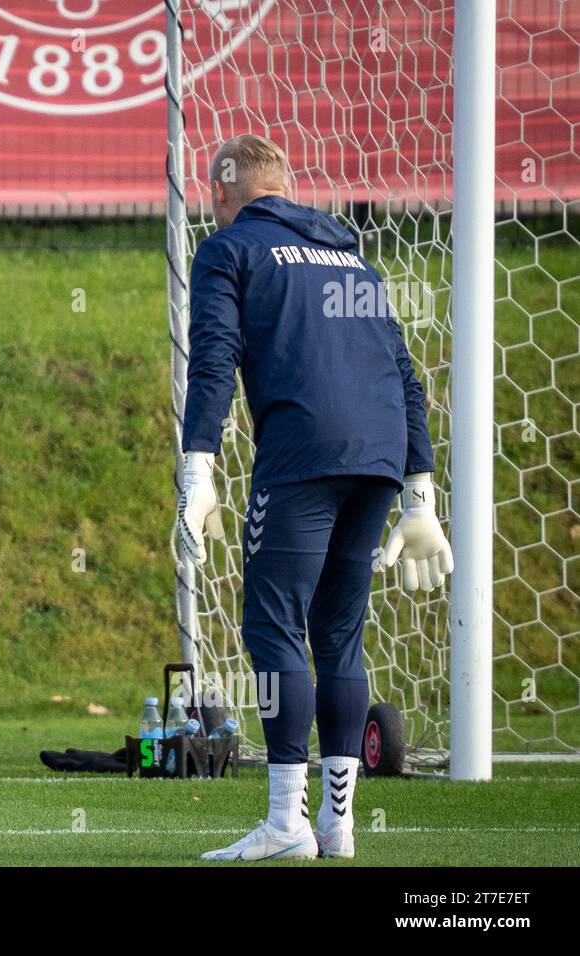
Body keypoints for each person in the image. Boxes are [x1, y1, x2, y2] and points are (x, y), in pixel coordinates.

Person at [177, 133, 453, 861]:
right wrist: (421, 494)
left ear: (221, 195)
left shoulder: (229, 249)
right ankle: (337, 825)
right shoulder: (350, 254)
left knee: (273, 628)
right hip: (380, 456)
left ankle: (285, 823)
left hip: (303, 453)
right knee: (338, 635)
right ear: (289, 189)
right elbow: (403, 371)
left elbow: (212, 359)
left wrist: (197, 469)